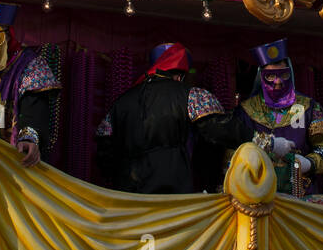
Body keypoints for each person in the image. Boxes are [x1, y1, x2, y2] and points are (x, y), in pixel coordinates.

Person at [96, 42, 245, 194]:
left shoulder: (122, 101)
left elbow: (103, 146)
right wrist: (252, 136)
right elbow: (220, 130)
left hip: (129, 195)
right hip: (171, 192)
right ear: (180, 76)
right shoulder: (190, 95)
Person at [0, 1, 61, 168]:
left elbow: (34, 109)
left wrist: (29, 137)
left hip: (11, 159)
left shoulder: (30, 65)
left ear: (8, 36)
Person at [232, 38, 323, 197]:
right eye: (271, 76)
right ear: (261, 77)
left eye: (284, 75)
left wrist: (310, 163)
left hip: (300, 192)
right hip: (257, 193)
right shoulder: (246, 111)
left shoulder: (308, 107)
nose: (278, 82)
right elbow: (233, 153)